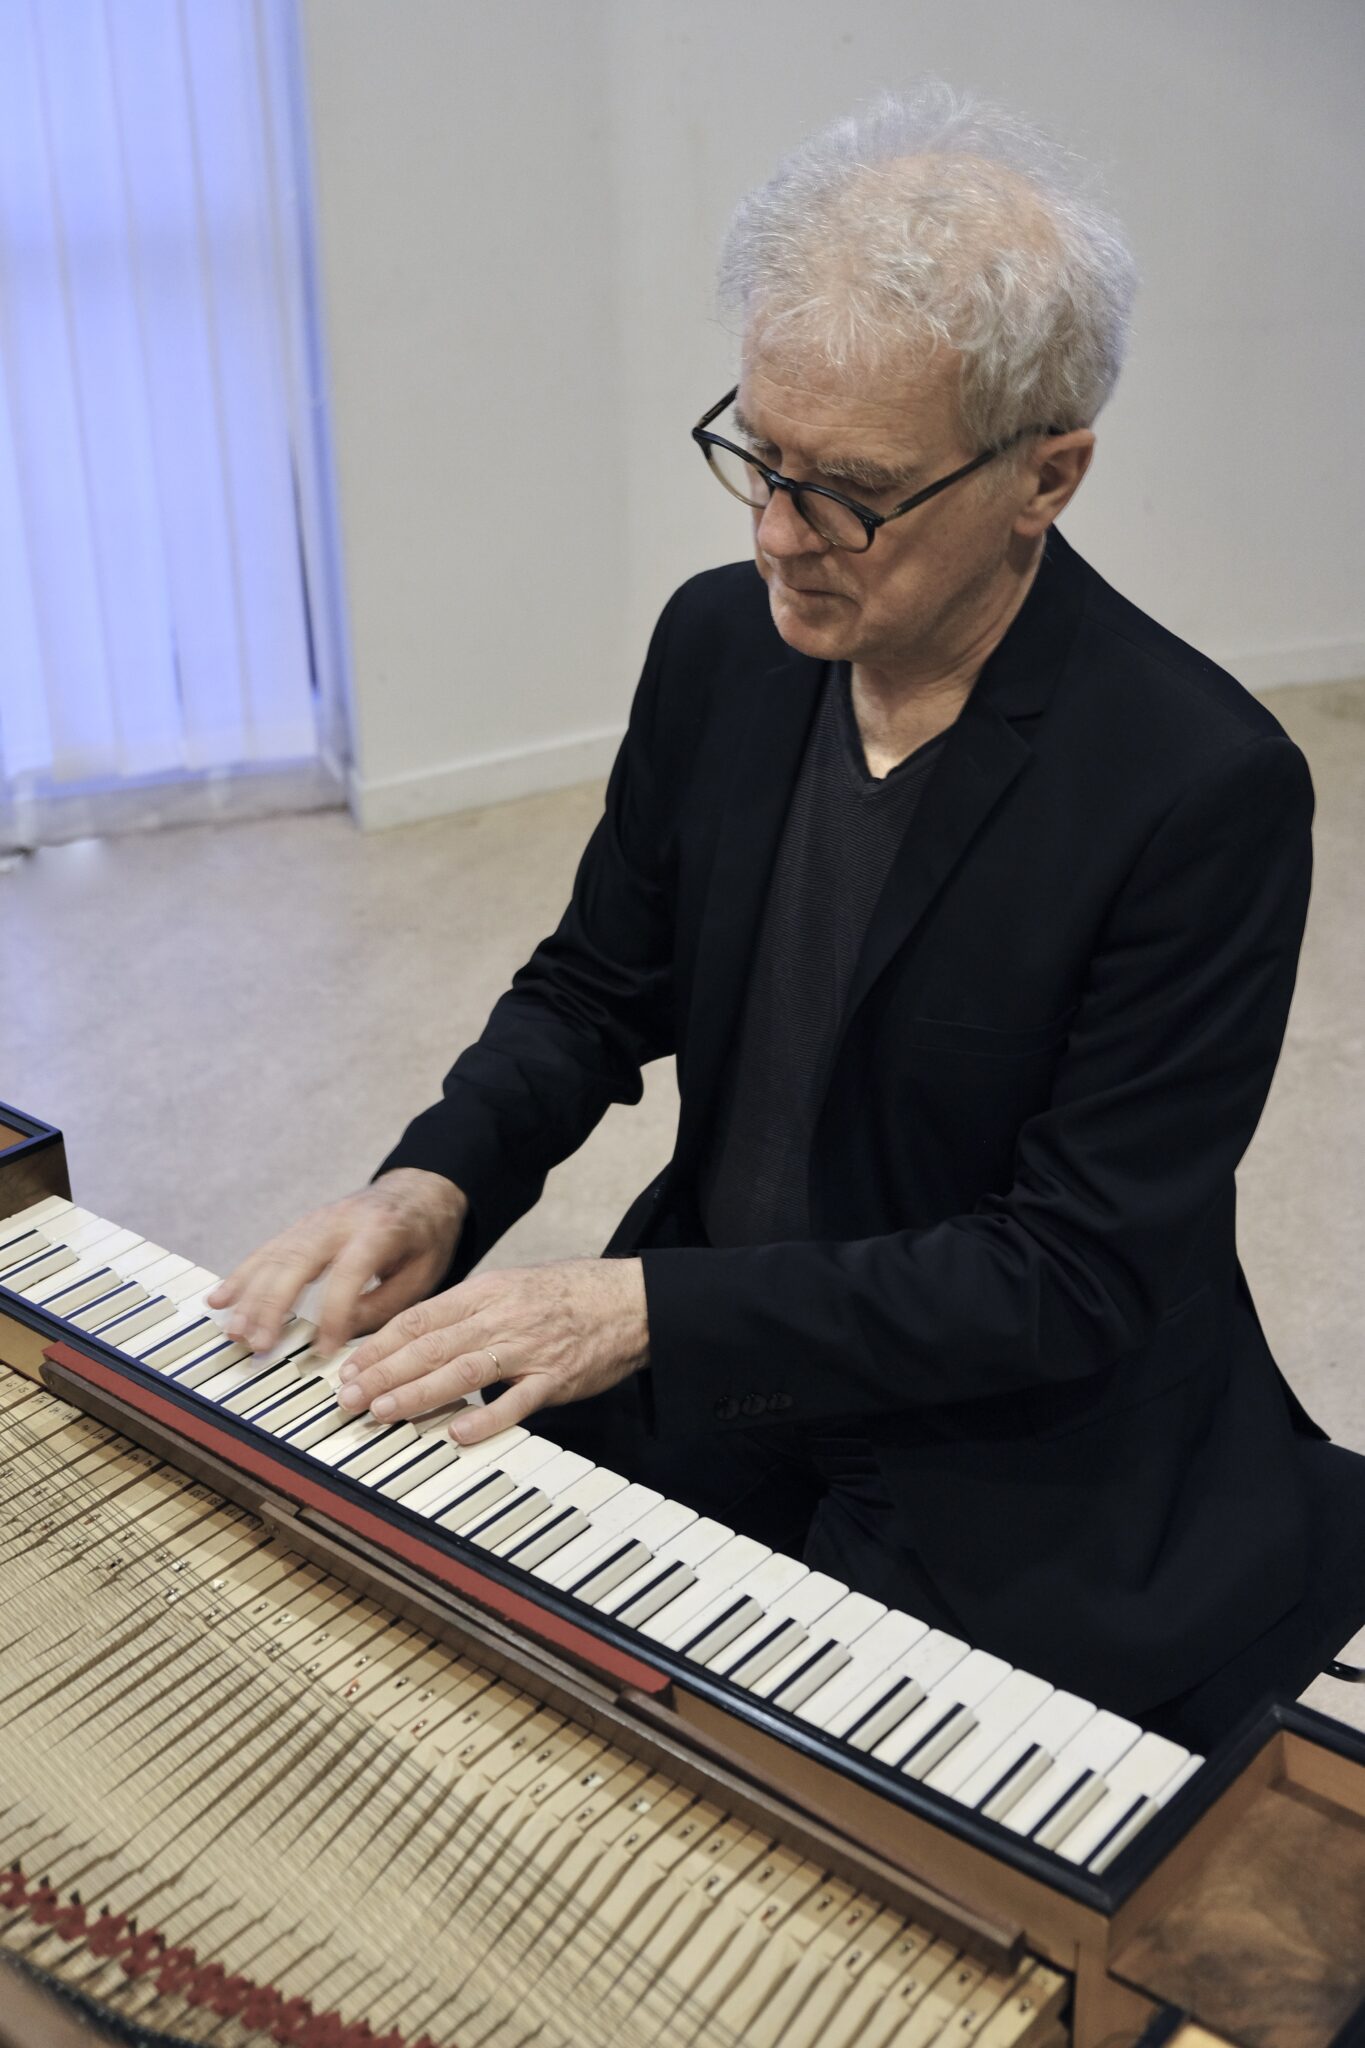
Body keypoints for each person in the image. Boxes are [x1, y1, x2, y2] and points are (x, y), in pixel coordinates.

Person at [209, 83, 1324, 1748]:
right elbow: (594, 988)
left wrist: (634, 1308)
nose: (776, 537)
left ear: (1049, 474)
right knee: (405, 1623)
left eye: (851, 494)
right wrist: (437, 1177)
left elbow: (1068, 1274)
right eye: (760, 457)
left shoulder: (1199, 786)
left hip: (1003, 1441)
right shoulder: (718, 647)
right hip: (725, 1335)